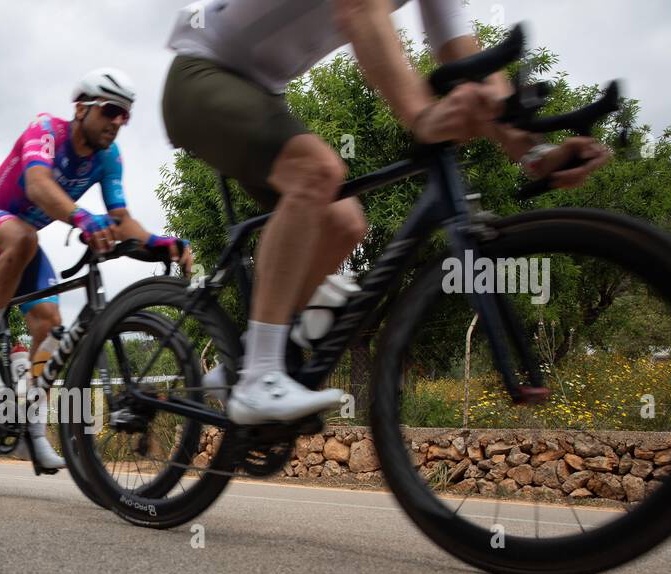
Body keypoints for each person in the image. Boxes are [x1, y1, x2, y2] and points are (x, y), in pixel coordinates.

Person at [161, 0, 610, 424]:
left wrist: (533, 151)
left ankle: (245, 359)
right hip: (202, 75)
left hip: (259, 93)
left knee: (344, 223)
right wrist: (421, 115)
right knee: (318, 171)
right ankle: (259, 376)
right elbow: (358, 9)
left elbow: (467, 60)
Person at [0, 68, 194, 466]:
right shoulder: (46, 130)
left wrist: (159, 242)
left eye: (126, 115)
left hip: (24, 240)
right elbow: (37, 186)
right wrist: (83, 218)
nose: (118, 122)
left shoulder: (108, 158)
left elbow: (121, 219)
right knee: (24, 237)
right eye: (111, 110)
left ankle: (29, 430)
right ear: (82, 107)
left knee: (49, 324)